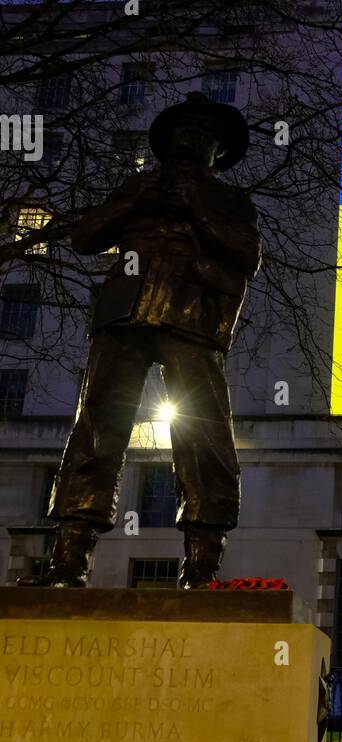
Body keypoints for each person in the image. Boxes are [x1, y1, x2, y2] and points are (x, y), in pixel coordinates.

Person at [21, 92, 261, 590]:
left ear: (220, 151)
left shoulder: (230, 201)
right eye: (184, 128)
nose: (192, 137)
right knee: (97, 429)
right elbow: (86, 237)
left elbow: (245, 255)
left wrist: (195, 210)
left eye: (205, 131)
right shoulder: (136, 186)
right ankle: (68, 559)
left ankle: (201, 568)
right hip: (124, 313)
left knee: (203, 433)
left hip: (192, 315)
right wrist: (137, 201)